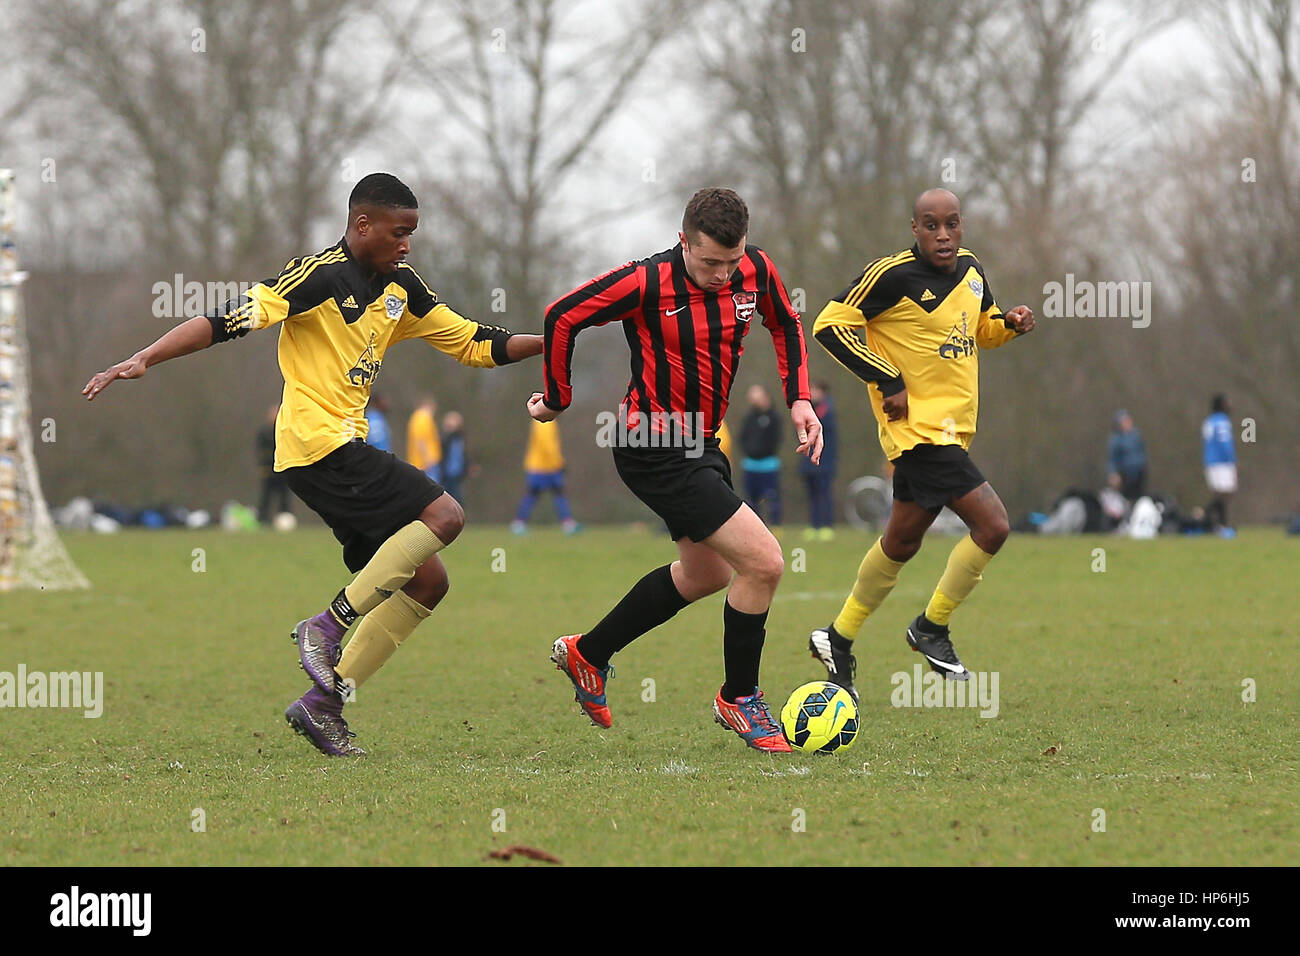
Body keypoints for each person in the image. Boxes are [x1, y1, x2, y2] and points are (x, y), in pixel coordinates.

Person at [83, 172, 542, 756]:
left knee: (427, 581)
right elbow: (224, 321)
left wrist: (554, 338)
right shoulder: (319, 277)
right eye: (399, 232)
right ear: (362, 224)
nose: (407, 244)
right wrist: (146, 356)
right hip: (316, 446)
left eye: (413, 234)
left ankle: (323, 705)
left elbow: (479, 343)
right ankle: (326, 625)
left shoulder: (403, 289)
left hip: (340, 452)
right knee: (446, 515)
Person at [530, 186, 821, 752]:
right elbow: (562, 317)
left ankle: (588, 653)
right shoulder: (646, 281)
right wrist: (558, 398)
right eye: (709, 261)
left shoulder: (755, 269)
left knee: (708, 574)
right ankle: (740, 699)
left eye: (730, 262)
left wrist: (800, 399)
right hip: (650, 442)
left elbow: (785, 324)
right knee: (764, 563)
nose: (721, 274)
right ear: (682, 241)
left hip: (702, 442)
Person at [807, 188, 1034, 700]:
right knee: (994, 526)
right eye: (931, 225)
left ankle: (836, 637)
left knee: (901, 542)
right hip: (921, 434)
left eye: (952, 224)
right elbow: (829, 324)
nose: (943, 235)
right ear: (914, 229)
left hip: (953, 431)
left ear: (962, 225)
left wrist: (1010, 325)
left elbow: (982, 329)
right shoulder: (891, 276)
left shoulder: (973, 270)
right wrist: (888, 379)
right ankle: (932, 627)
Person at [510, 419, 578, 534]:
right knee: (548, 494)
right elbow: (548, 446)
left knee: (546, 495)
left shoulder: (539, 420)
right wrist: (559, 463)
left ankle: (519, 523)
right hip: (543, 467)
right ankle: (568, 524)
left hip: (539, 465)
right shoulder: (545, 421)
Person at [739, 384, 783, 528]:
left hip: (769, 465)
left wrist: (763, 452)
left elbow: (776, 440)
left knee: (772, 498)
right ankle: (756, 528)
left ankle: (776, 526)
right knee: (752, 500)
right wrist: (749, 451)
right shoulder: (749, 417)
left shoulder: (774, 417)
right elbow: (742, 437)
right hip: (750, 465)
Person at [799, 381, 838, 540]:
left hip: (824, 462)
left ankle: (826, 526)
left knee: (824, 494)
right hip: (809, 462)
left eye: (814, 390)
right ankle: (814, 526)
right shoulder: (808, 411)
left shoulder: (827, 411)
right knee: (812, 495)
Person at [1202, 393, 1237, 538]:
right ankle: (1211, 520)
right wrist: (1232, 459)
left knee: (1218, 493)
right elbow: (1224, 443)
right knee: (1225, 493)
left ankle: (1215, 523)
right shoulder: (1222, 422)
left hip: (1210, 462)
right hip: (1222, 462)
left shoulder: (1208, 421)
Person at [256, 402, 293, 524]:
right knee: (266, 497)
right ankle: (262, 520)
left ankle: (285, 519)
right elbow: (259, 451)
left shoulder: (285, 430)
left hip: (283, 469)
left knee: (284, 497)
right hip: (268, 470)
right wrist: (262, 466)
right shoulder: (264, 433)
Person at [1107, 410, 1148, 502]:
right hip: (1125, 474)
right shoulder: (1116, 440)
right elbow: (1112, 459)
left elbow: (1141, 451)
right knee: (1126, 498)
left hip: (1139, 473)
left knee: (1140, 498)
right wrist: (1113, 473)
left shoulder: (1136, 435)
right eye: (1124, 421)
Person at [406, 396, 441, 482]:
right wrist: (427, 459)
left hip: (424, 463)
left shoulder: (419, 418)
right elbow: (420, 440)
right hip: (425, 464)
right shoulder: (422, 419)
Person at [439, 410, 468, 505]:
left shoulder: (460, 437)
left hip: (457, 472)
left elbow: (463, 453)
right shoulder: (445, 437)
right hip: (446, 472)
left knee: (457, 497)